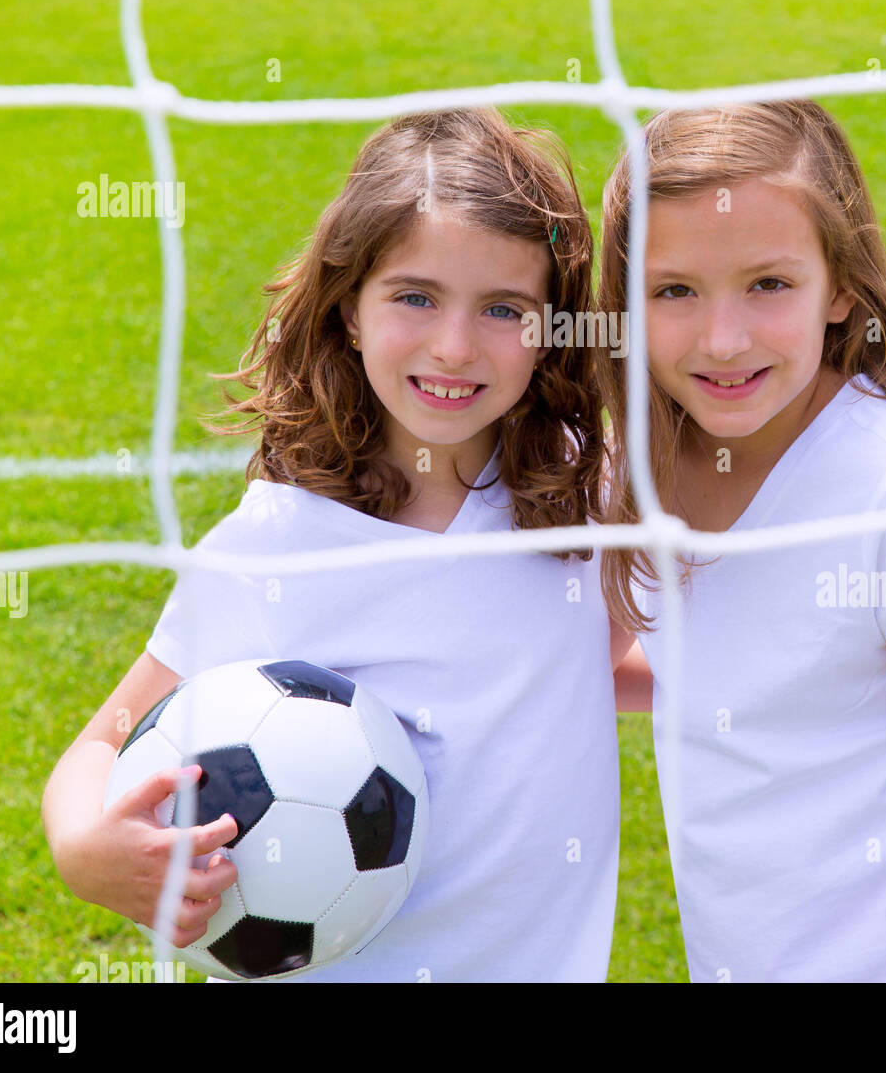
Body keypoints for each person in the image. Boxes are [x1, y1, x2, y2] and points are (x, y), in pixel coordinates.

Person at [42, 107, 619, 982]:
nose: (454, 347)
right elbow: (103, 741)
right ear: (349, 308)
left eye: (504, 308)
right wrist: (85, 845)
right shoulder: (271, 549)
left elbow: (589, 661)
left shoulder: (584, 493)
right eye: (415, 297)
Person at [598, 99, 886, 983]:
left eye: (769, 285)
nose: (723, 339)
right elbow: (677, 669)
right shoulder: (637, 467)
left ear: (840, 285)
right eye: (675, 291)